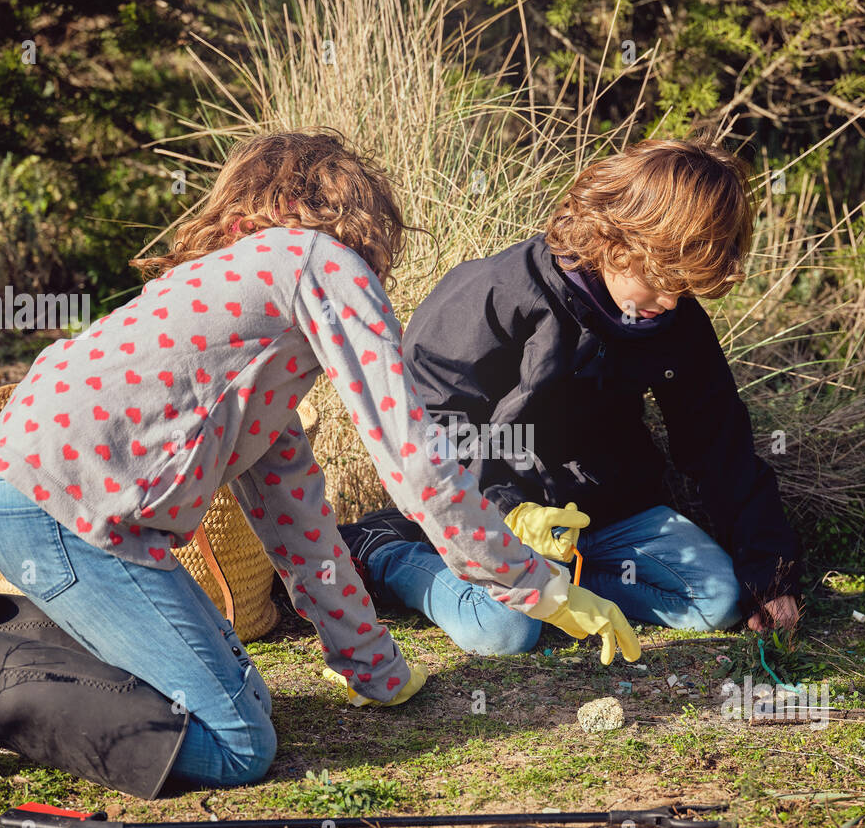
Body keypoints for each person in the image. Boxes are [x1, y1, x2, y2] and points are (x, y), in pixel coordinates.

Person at [0, 130, 639, 797]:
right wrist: (535, 584)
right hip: (63, 512)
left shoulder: (248, 359)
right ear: (354, 227)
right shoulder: (321, 261)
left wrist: (374, 667)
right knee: (236, 744)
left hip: (17, 491)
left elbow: (303, 533)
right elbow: (411, 454)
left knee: (243, 690)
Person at [338, 139, 802, 658]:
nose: (671, 300)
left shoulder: (671, 315)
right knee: (503, 632)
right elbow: (428, 424)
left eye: (685, 287)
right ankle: (385, 552)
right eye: (662, 279)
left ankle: (561, 588)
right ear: (616, 237)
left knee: (716, 600)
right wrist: (506, 510)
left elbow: (719, 443)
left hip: (604, 513)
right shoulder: (493, 292)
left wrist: (770, 577)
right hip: (493, 509)